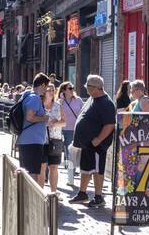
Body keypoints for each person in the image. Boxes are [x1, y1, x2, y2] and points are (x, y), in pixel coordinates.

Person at [72, 74, 116, 207]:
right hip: (87, 144)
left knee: (97, 170)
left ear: (96, 88)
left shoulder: (106, 103)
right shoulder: (93, 98)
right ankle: (82, 193)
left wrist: (98, 139)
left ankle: (98, 197)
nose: (86, 89)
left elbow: (109, 124)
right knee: (86, 168)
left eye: (88, 87)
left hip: (96, 145)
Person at [17, 72, 51, 182]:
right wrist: (44, 118)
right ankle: (31, 199)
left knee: (26, 172)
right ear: (42, 85)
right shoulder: (35, 98)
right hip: (32, 141)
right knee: (33, 173)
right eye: (46, 87)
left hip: (26, 139)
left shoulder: (26, 95)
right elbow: (30, 117)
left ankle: (26, 198)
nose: (46, 90)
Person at [43, 82, 64, 192]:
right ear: (44, 92)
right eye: (48, 90)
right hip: (42, 139)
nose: (51, 92)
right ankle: (40, 193)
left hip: (55, 139)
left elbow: (64, 122)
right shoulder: (40, 105)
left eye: (53, 90)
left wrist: (55, 123)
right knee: (42, 167)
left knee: (54, 167)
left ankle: (53, 192)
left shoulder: (58, 105)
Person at [58, 81, 83, 157]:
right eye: (70, 88)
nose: (72, 90)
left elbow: (83, 113)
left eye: (73, 88)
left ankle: (71, 167)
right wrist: (61, 100)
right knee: (67, 151)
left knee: (73, 151)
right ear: (63, 91)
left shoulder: (78, 100)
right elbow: (56, 113)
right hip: (63, 130)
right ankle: (69, 166)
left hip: (75, 129)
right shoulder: (59, 101)